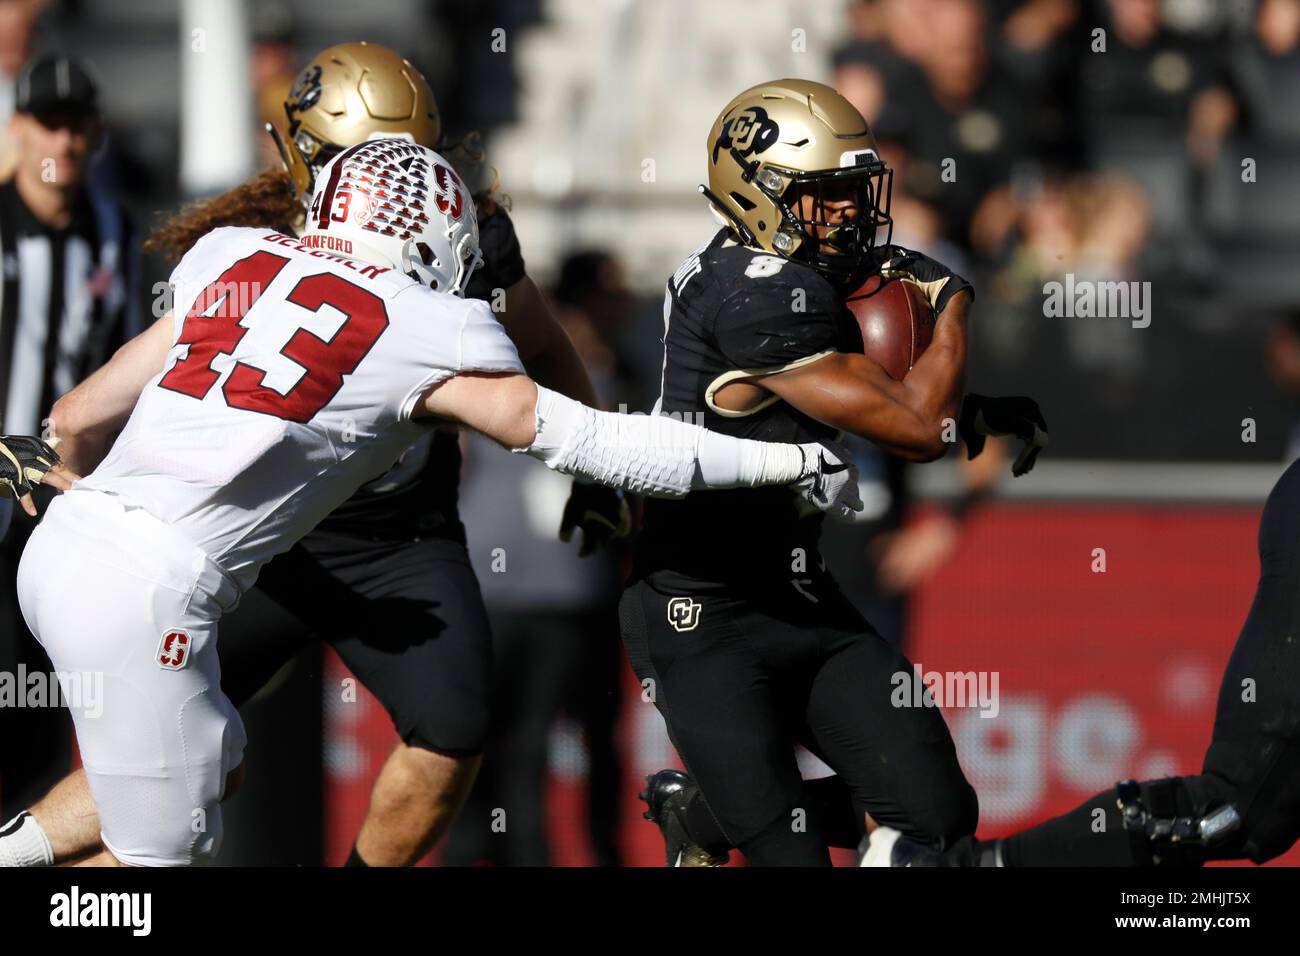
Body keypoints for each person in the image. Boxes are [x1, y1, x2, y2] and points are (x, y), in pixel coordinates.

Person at [0, 140, 859, 868]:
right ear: (436, 238)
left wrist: (73, 502)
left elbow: (75, 415)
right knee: (148, 878)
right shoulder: (426, 323)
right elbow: (597, 441)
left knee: (216, 758)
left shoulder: (233, 255)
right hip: (150, 591)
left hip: (68, 545)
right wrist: (778, 460)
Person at [0, 41, 623, 868]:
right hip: (259, 534)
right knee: (192, 758)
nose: (388, 184)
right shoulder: (251, 237)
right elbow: (159, 391)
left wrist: (587, 465)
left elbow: (538, 341)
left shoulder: (460, 227)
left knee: (453, 731)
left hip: (398, 537)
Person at [626, 79, 1047, 867]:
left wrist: (969, 400)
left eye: (856, 189)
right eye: (826, 195)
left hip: (800, 591)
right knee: (789, 846)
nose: (851, 211)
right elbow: (920, 429)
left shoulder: (777, 274)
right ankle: (730, 815)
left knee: (938, 811)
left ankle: (704, 818)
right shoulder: (753, 295)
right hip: (702, 612)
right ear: (755, 193)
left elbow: (877, 396)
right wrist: (952, 302)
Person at [0, 53, 137, 822]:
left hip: (61, 523)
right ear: (19, 130)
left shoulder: (115, 232)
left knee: (40, 733)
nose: (65, 140)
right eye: (49, 122)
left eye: (79, 125)